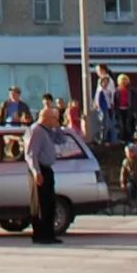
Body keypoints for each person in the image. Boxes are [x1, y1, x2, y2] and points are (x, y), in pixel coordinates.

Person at [26, 103, 87, 246]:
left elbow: (62, 139)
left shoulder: (47, 130)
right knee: (41, 204)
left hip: (47, 169)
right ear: (46, 118)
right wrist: (36, 172)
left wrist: (58, 125)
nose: (55, 120)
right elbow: (31, 154)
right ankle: (41, 235)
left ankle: (49, 234)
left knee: (49, 203)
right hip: (39, 169)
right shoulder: (37, 131)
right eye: (53, 118)